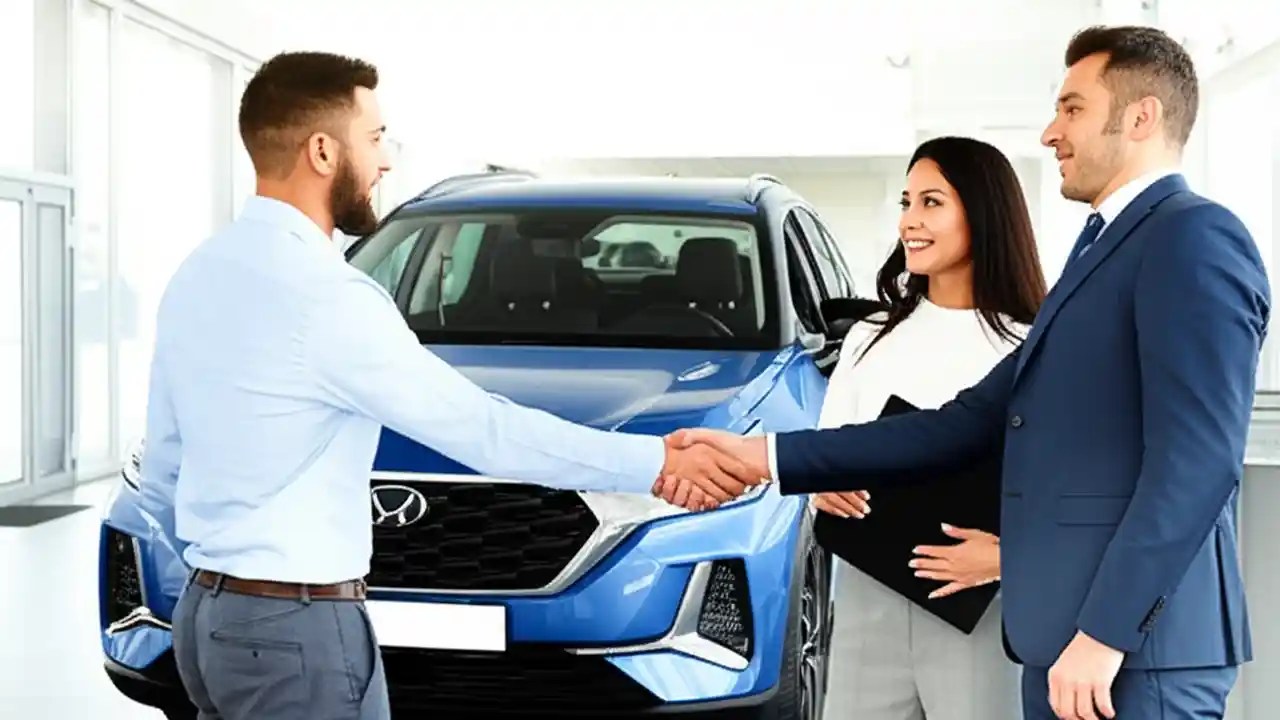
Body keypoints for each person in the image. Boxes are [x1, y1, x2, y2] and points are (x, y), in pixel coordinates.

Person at [664, 25, 1267, 720]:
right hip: (1061, 646)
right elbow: (962, 424)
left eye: (1071, 107)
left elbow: (1196, 465)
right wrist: (760, 455)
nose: (1050, 132)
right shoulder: (1100, 252)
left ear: (1141, 117)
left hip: (1132, 653)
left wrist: (1103, 637)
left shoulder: (1193, 237)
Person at [138, 51, 757, 720]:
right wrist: (658, 460)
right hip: (294, 630)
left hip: (208, 618)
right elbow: (484, 432)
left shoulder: (199, 274)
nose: (385, 162)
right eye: (374, 139)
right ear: (322, 151)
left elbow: (166, 461)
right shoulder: (326, 295)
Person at [814, 136, 1045, 720]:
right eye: (905, 201)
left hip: (978, 604)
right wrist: (821, 486)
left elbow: (1063, 486)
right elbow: (822, 457)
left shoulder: (1033, 345)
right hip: (868, 595)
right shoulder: (868, 337)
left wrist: (1010, 558)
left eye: (932, 202)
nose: (909, 221)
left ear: (983, 213)